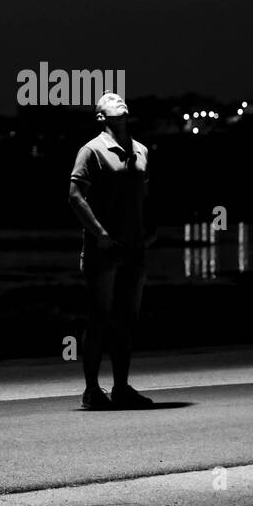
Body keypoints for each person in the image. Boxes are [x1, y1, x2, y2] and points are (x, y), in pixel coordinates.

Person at [68, 92, 156, 410]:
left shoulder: (141, 151)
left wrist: (150, 233)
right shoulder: (91, 151)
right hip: (103, 250)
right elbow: (75, 197)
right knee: (99, 318)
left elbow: (146, 196)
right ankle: (92, 390)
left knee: (126, 320)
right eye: (111, 108)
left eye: (122, 108)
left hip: (134, 249)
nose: (118, 108)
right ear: (101, 117)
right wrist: (100, 233)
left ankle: (121, 387)